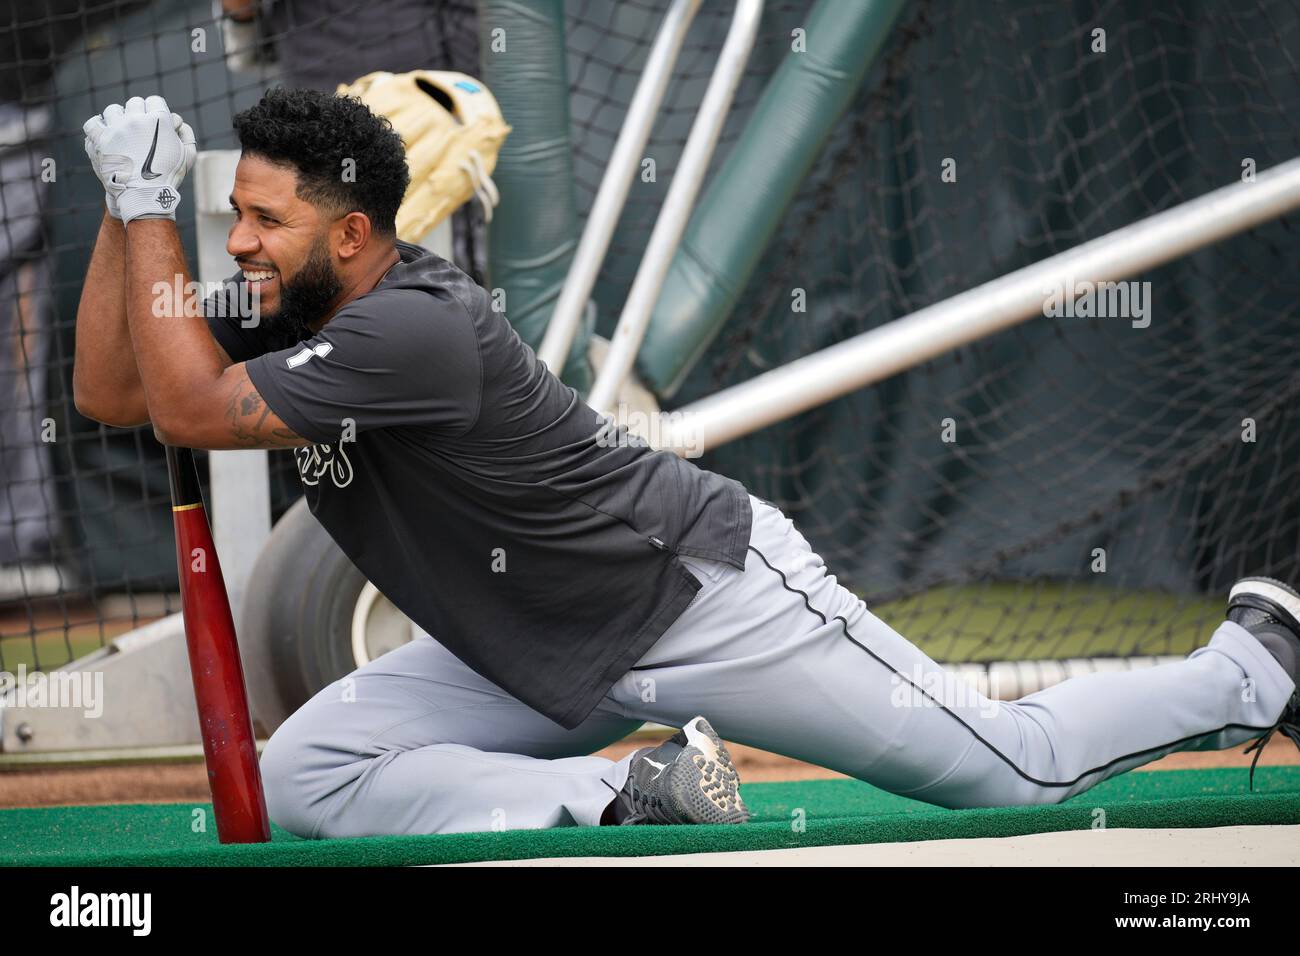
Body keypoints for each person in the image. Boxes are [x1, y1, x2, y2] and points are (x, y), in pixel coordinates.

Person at [73, 88, 1299, 838]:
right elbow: (113, 387)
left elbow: (181, 409)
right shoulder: (288, 302)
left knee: (1008, 772)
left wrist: (147, 207)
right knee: (309, 773)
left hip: (696, 598)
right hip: (537, 643)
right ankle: (629, 792)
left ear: (351, 232)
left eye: (262, 218)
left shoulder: (412, 328)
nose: (234, 240)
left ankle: (1254, 665)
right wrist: (113, 208)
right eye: (226, 211)